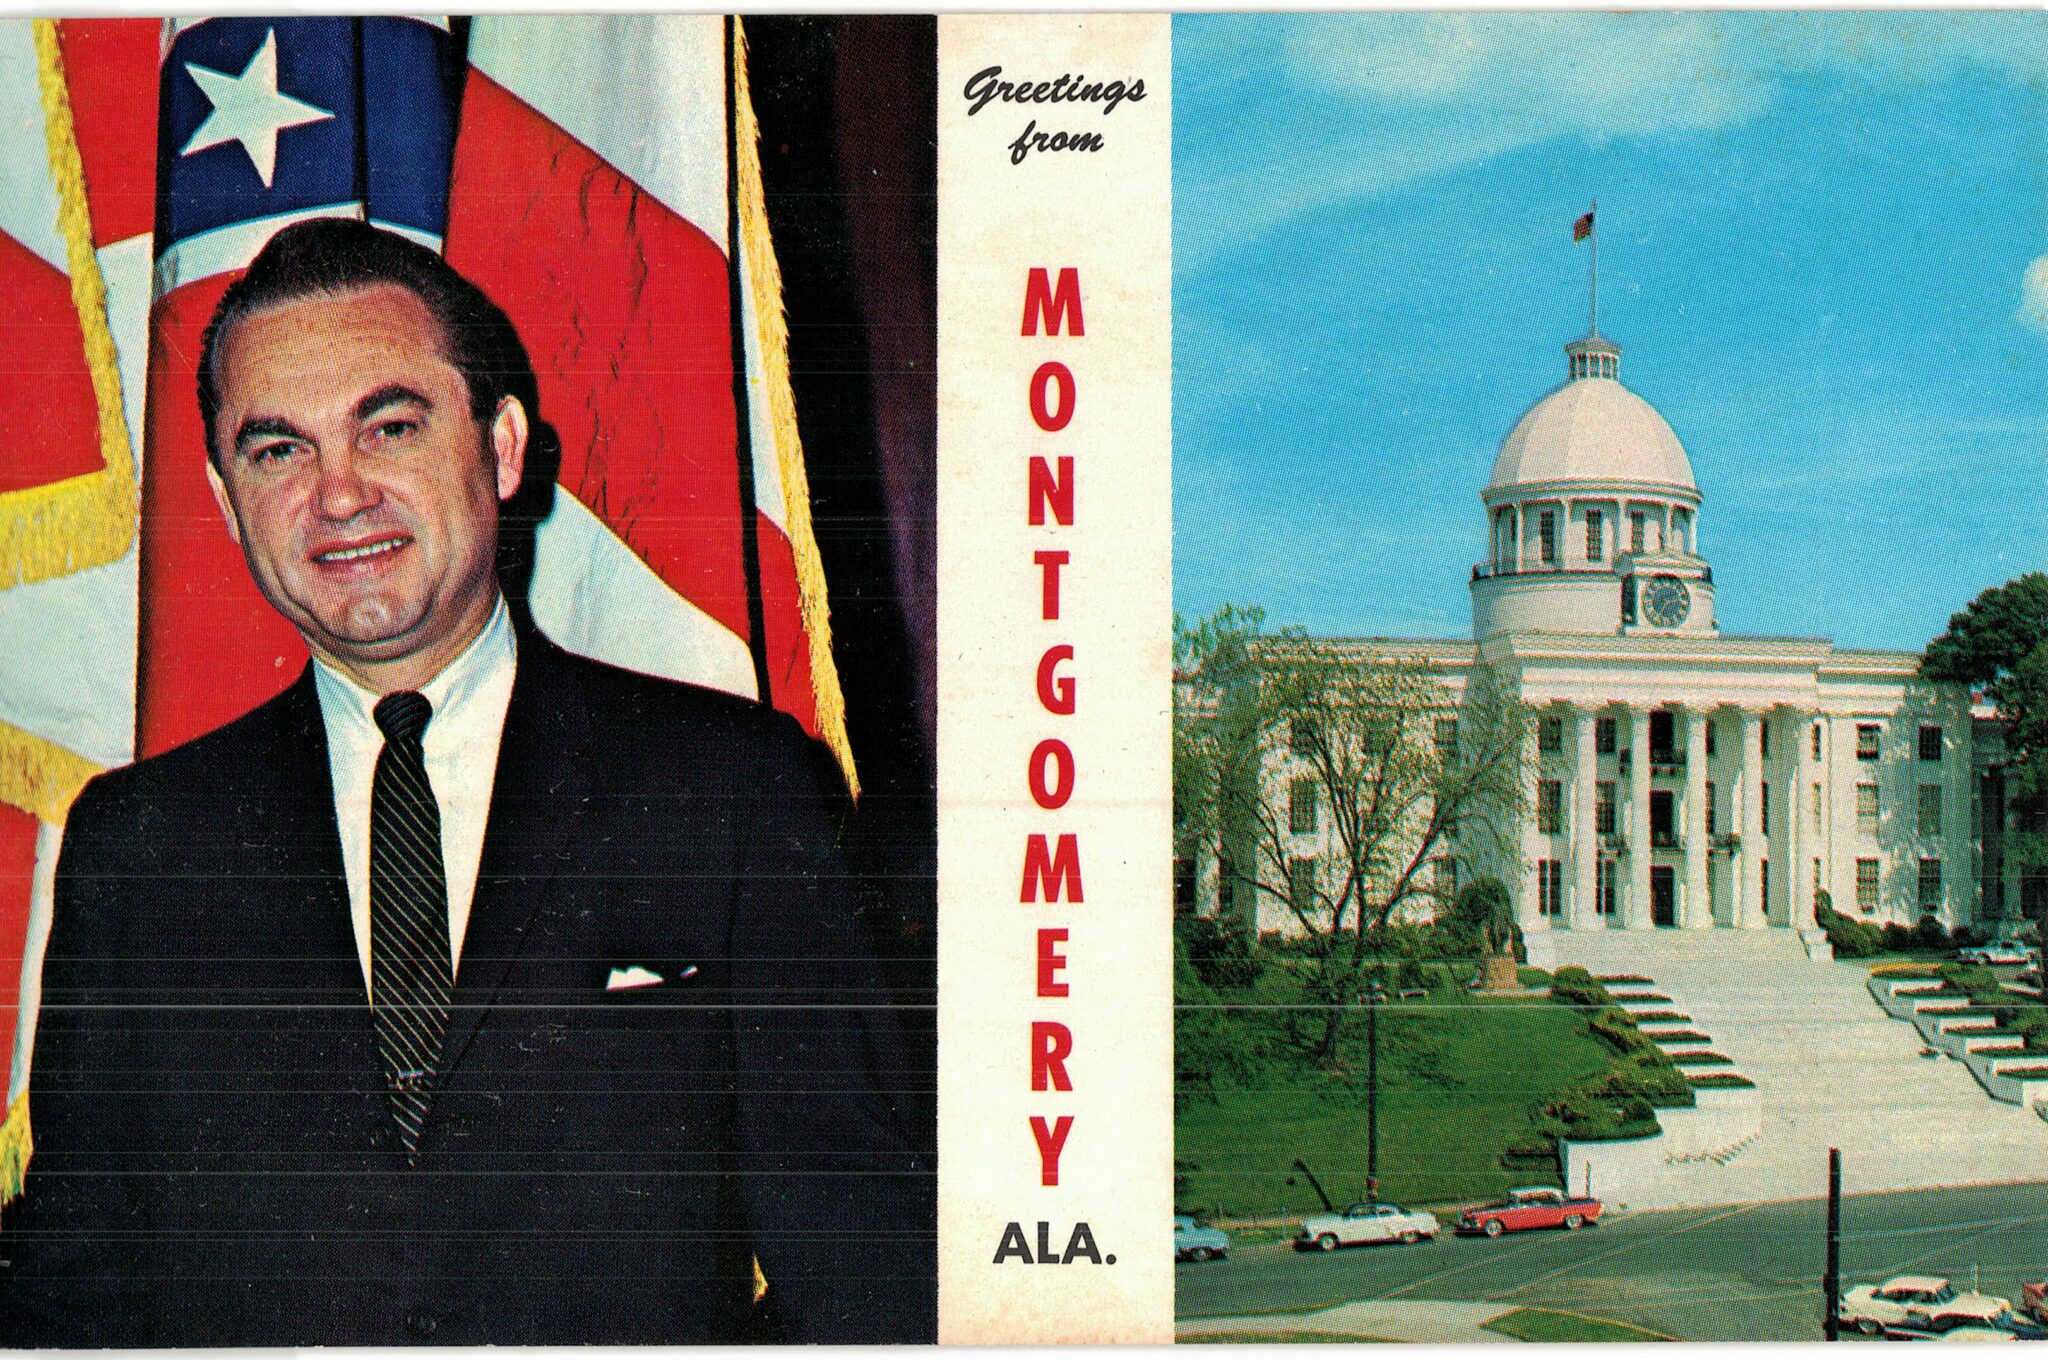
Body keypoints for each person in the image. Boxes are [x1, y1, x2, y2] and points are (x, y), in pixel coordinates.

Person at [0, 219, 934, 1346]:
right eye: (278, 450)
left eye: (388, 426)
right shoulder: (141, 845)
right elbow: (77, 1277)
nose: (338, 496)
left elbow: (865, 1247)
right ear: (223, 493)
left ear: (498, 447)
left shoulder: (730, 792)